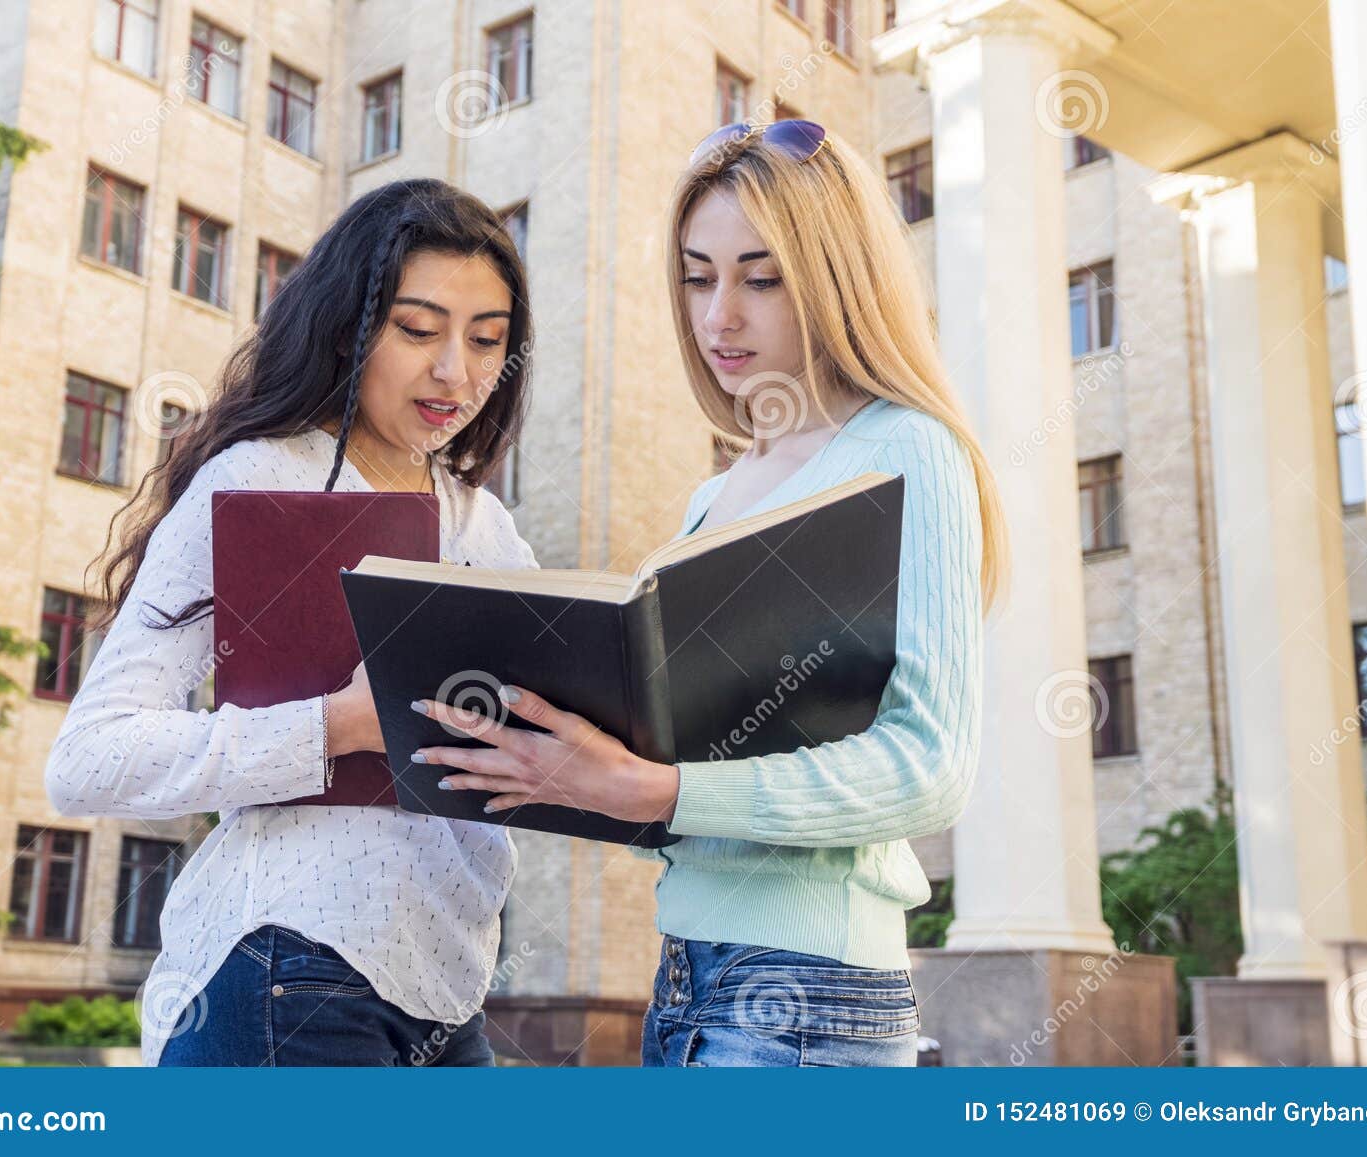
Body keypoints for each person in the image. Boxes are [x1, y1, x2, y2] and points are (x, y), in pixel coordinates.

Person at [412, 121, 1009, 1067]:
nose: (719, 315)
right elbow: (696, 788)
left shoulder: (907, 449)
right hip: (685, 980)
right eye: (698, 276)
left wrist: (654, 786)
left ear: (837, 277)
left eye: (761, 278)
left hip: (812, 991)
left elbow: (928, 766)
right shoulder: (719, 489)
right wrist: (575, 769)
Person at [44, 178, 537, 1067]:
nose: (455, 371)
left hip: (448, 989)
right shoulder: (257, 482)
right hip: (287, 965)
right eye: (418, 331)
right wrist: (332, 726)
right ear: (350, 328)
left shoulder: (484, 528)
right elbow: (86, 761)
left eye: (487, 341)